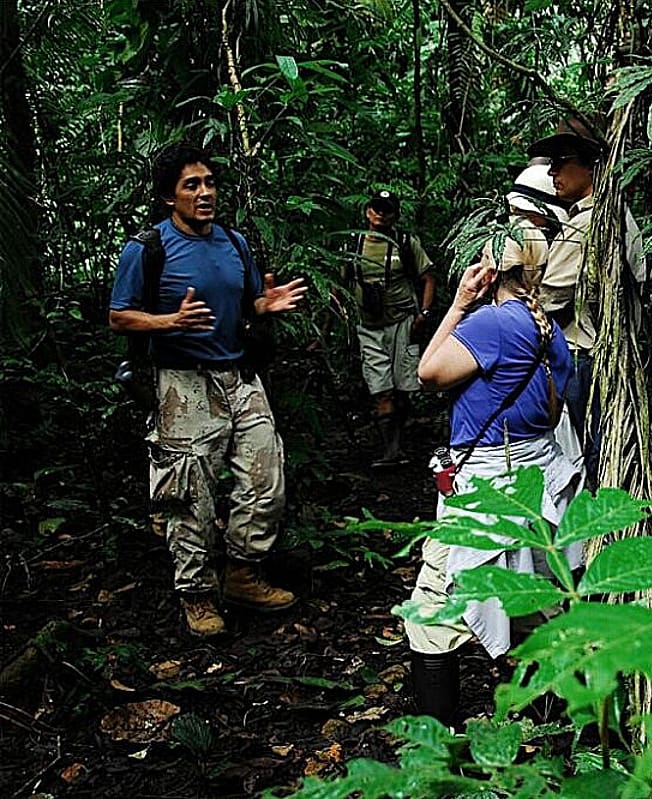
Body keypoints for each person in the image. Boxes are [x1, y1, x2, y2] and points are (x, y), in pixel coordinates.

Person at [109, 142, 307, 638]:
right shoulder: (148, 248)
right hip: (183, 383)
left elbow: (247, 303)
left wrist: (264, 305)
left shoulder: (233, 242)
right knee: (189, 492)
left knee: (265, 476)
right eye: (191, 185)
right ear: (169, 197)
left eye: (209, 182)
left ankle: (243, 574)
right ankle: (196, 594)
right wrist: (169, 322)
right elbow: (119, 316)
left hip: (240, 375)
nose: (204, 193)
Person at [404, 218, 579, 728]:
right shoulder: (548, 329)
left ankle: (438, 741)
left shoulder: (492, 323)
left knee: (434, 611)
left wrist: (459, 303)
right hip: (537, 475)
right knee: (539, 600)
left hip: (489, 482)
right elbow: (556, 406)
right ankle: (562, 723)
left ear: (491, 268)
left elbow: (428, 372)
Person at [527, 119, 646, 483]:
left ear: (590, 166)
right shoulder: (619, 215)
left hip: (584, 353)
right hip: (614, 353)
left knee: (587, 451)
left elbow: (550, 296)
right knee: (606, 446)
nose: (552, 172)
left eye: (561, 162)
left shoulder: (587, 223)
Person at [345, 188, 437, 468]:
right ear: (367, 211)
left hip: (403, 323)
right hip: (368, 326)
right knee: (380, 388)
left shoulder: (405, 243)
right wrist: (326, 328)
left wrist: (423, 314)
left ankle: (401, 443)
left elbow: (428, 277)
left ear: (395, 215)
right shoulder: (352, 244)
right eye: (377, 208)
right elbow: (339, 287)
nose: (381, 215)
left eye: (387, 210)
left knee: (403, 386)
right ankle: (391, 450)